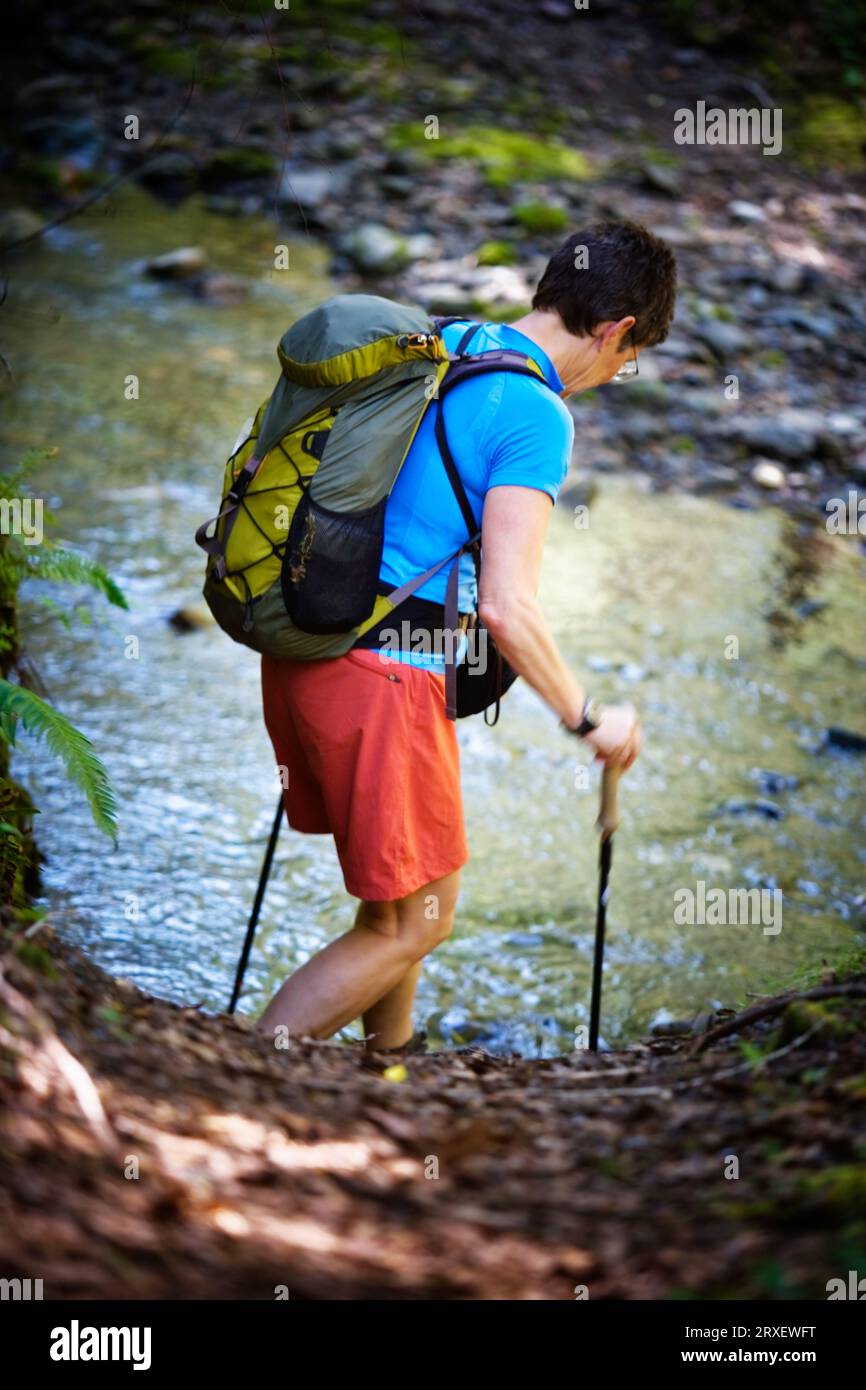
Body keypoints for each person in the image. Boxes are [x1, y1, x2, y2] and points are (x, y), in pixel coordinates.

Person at [256, 220, 677, 1054]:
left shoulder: (445, 340)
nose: (614, 375)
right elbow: (508, 609)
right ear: (616, 330)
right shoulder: (535, 415)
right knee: (422, 919)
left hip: (304, 645)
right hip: (383, 678)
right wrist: (591, 720)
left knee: (400, 902)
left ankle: (392, 1066)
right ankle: (242, 1071)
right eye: (627, 361)